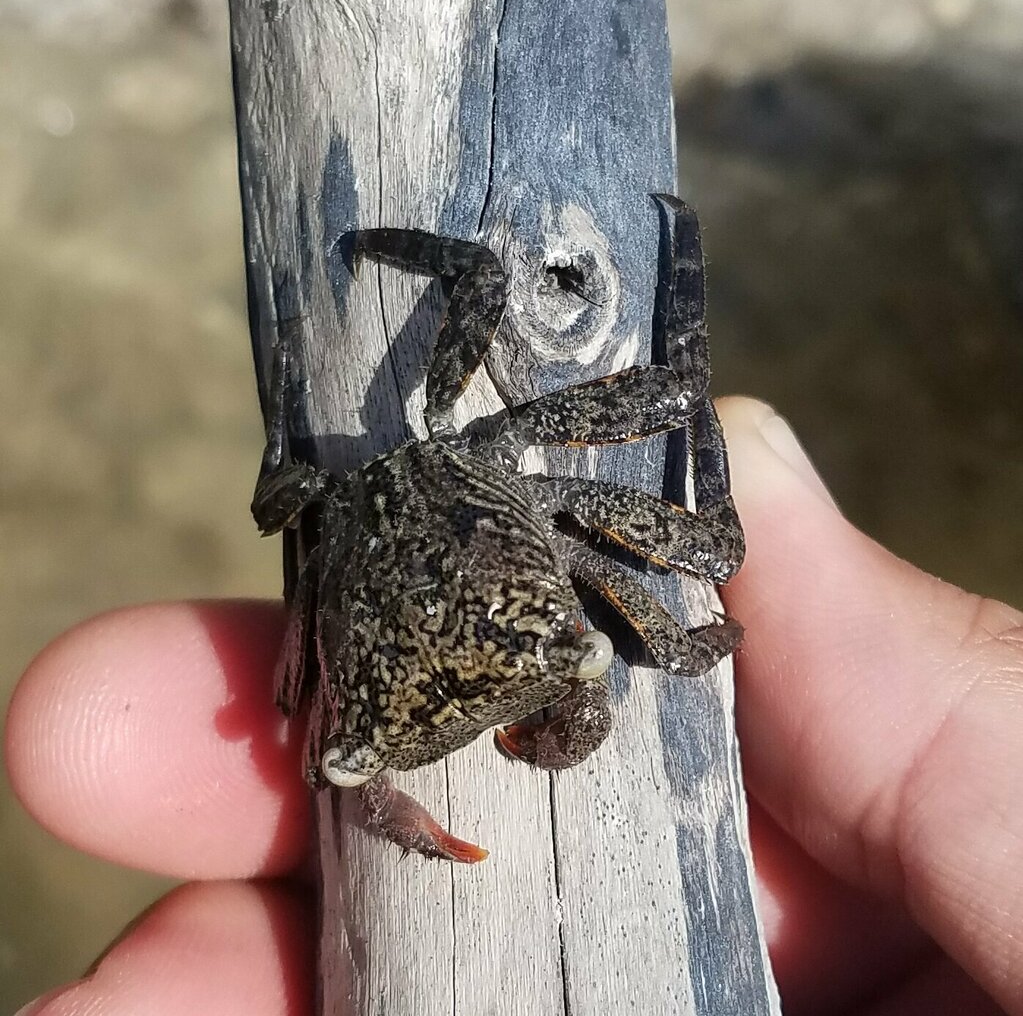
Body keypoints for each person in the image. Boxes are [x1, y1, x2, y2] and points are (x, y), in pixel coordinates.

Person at [6, 397, 1022, 1016]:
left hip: (476, 470)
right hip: (391, 519)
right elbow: (313, 724)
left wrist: (692, 632)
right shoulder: (333, 573)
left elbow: (697, 516)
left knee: (698, 566)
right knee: (339, 752)